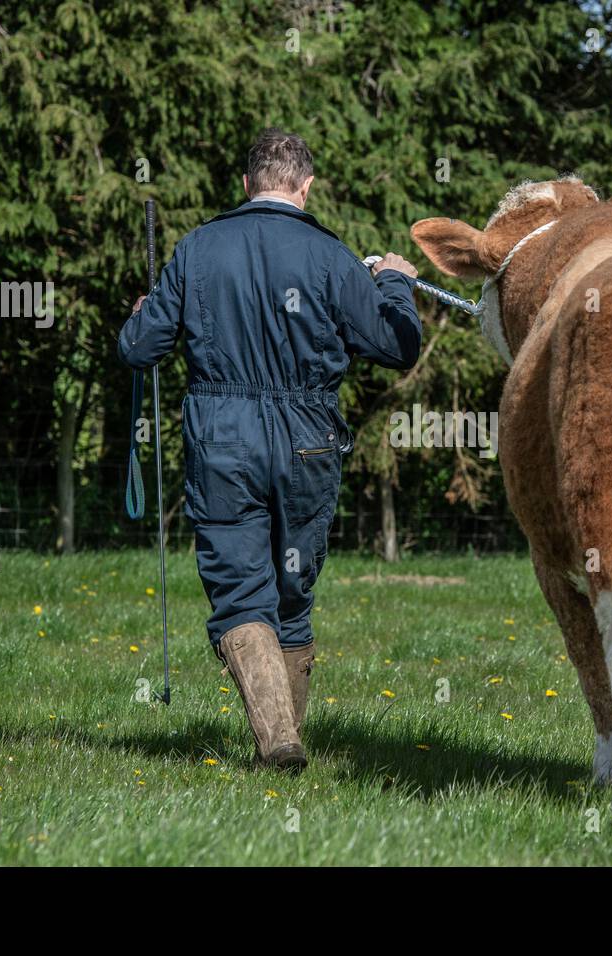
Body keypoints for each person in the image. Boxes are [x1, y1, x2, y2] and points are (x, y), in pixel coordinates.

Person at [118, 129, 421, 771]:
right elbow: (396, 347)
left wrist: (146, 312)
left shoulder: (197, 249)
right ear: (305, 188)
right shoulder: (331, 256)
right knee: (292, 592)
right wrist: (394, 283)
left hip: (223, 440)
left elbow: (138, 349)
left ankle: (278, 742)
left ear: (247, 184)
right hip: (308, 440)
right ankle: (282, 742)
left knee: (239, 592)